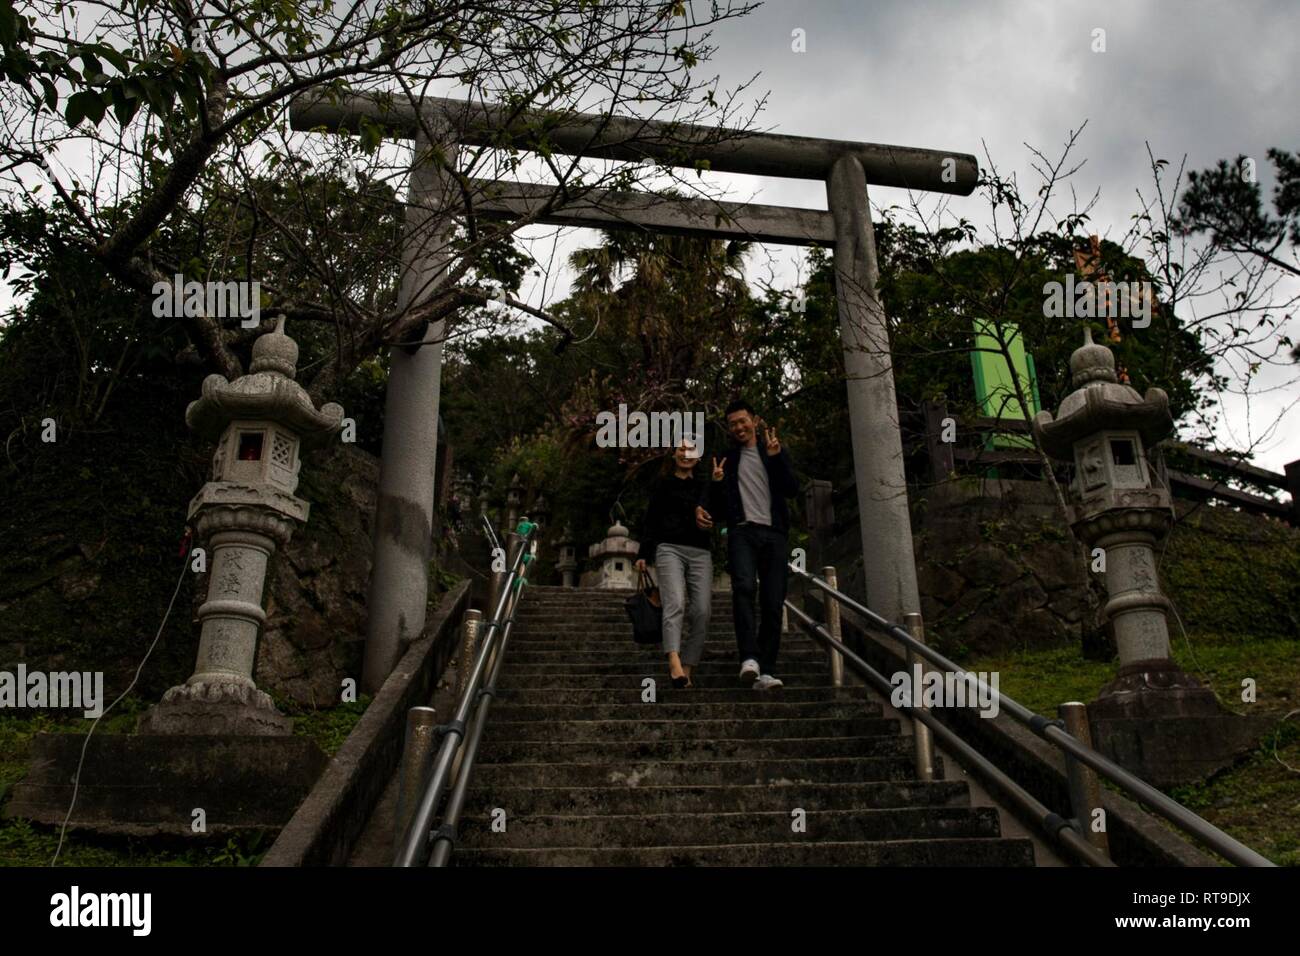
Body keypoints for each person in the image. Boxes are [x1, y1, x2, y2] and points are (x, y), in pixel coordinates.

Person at [696, 399, 798, 691]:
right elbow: (716, 509)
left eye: (743, 421)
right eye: (733, 424)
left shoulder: (773, 451)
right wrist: (715, 483)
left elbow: (792, 490)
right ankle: (749, 658)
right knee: (743, 587)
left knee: (773, 601)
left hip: (774, 534)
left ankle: (767, 671)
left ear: (755, 420)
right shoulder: (727, 460)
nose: (739, 427)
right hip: (741, 531)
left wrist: (777, 458)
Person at [634, 440, 713, 689]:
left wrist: (717, 485)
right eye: (681, 449)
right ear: (674, 454)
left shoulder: (705, 486)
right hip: (669, 549)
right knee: (675, 603)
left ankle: (689, 665)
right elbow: (652, 520)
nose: (686, 454)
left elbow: (717, 511)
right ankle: (674, 660)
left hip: (700, 552)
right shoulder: (663, 484)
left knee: (702, 610)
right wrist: (643, 553)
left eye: (691, 450)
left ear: (698, 457)